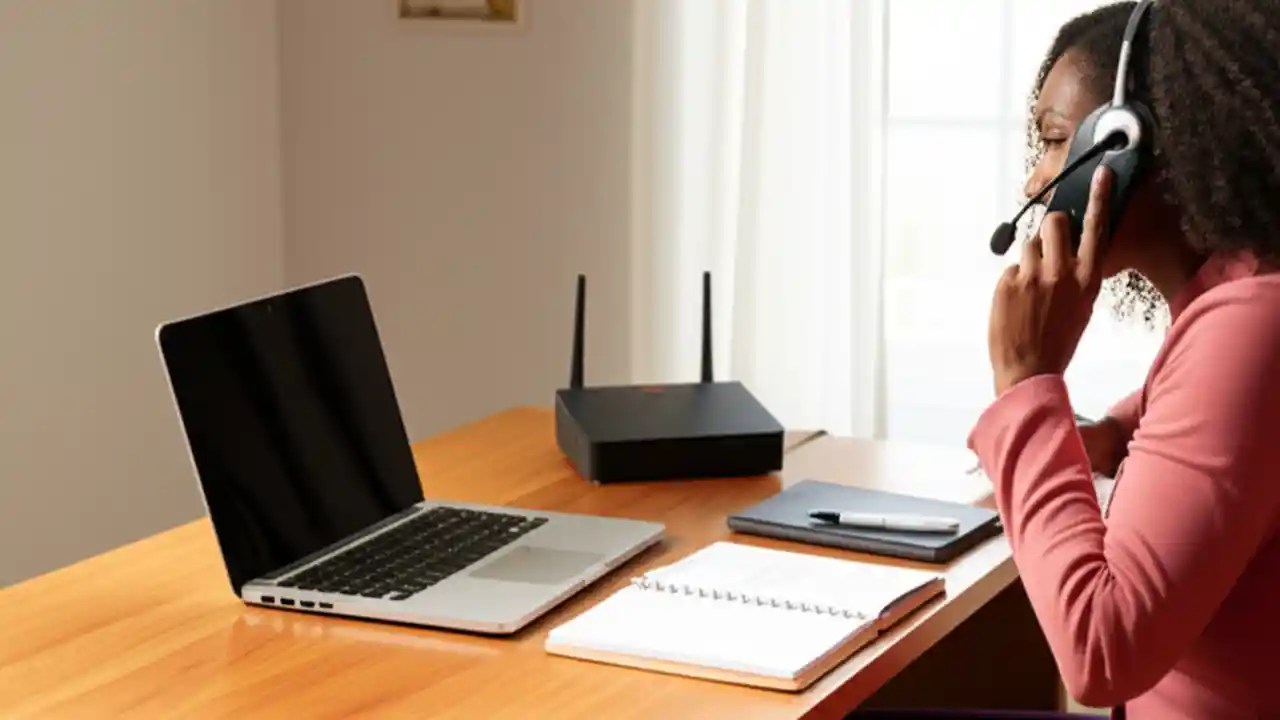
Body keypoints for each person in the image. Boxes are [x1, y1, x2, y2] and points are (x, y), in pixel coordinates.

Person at [860, 1, 1280, 718]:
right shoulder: (1240, 288)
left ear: (1127, 142)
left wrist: (1027, 385)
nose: (1035, 183)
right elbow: (1210, 425)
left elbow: (1100, 653)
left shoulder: (1251, 327)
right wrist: (1113, 436)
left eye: (1056, 142)